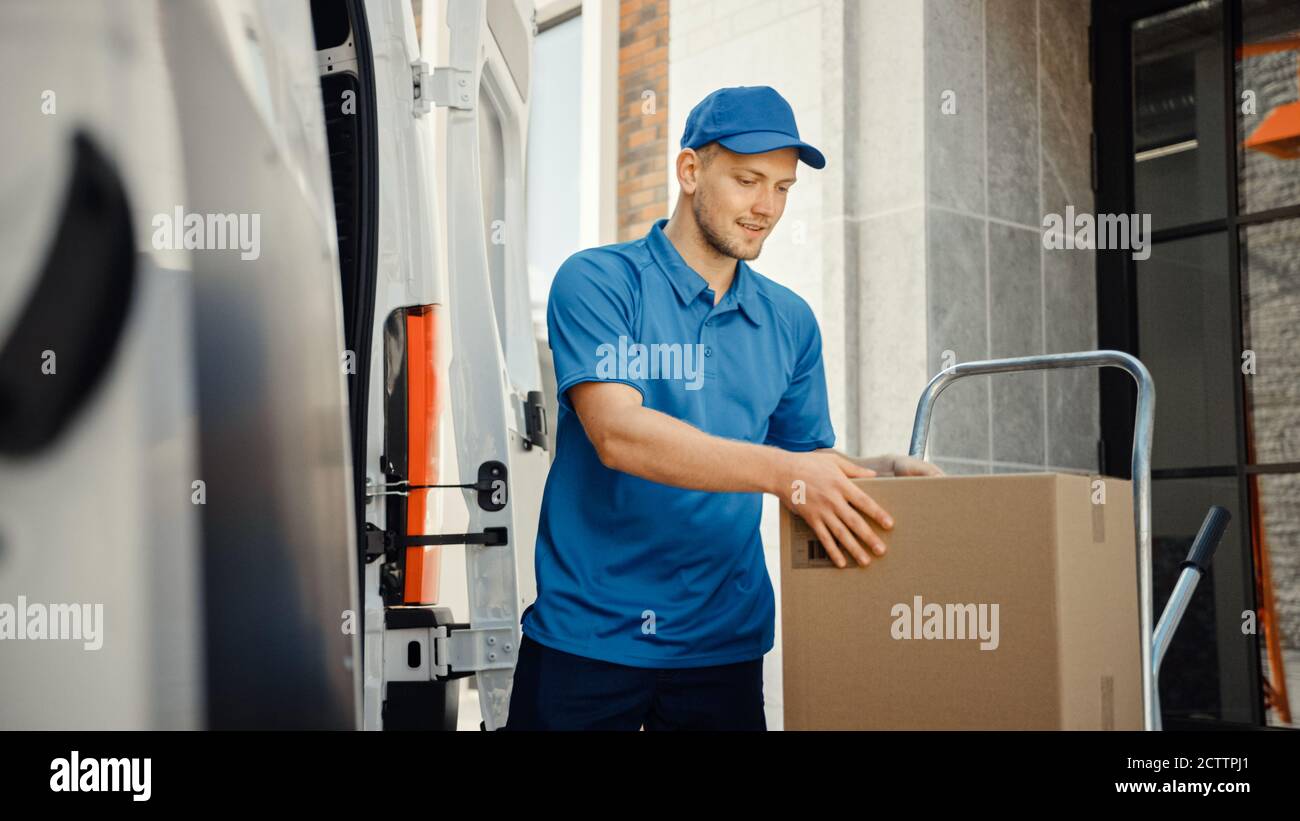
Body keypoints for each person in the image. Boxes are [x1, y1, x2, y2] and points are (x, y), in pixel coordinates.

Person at [503, 85, 942, 731]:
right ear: (689, 171)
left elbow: (802, 462)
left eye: (783, 188)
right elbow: (619, 434)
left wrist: (879, 472)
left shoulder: (790, 321)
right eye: (747, 179)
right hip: (588, 639)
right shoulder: (599, 281)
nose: (767, 206)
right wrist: (785, 473)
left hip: (722, 647)